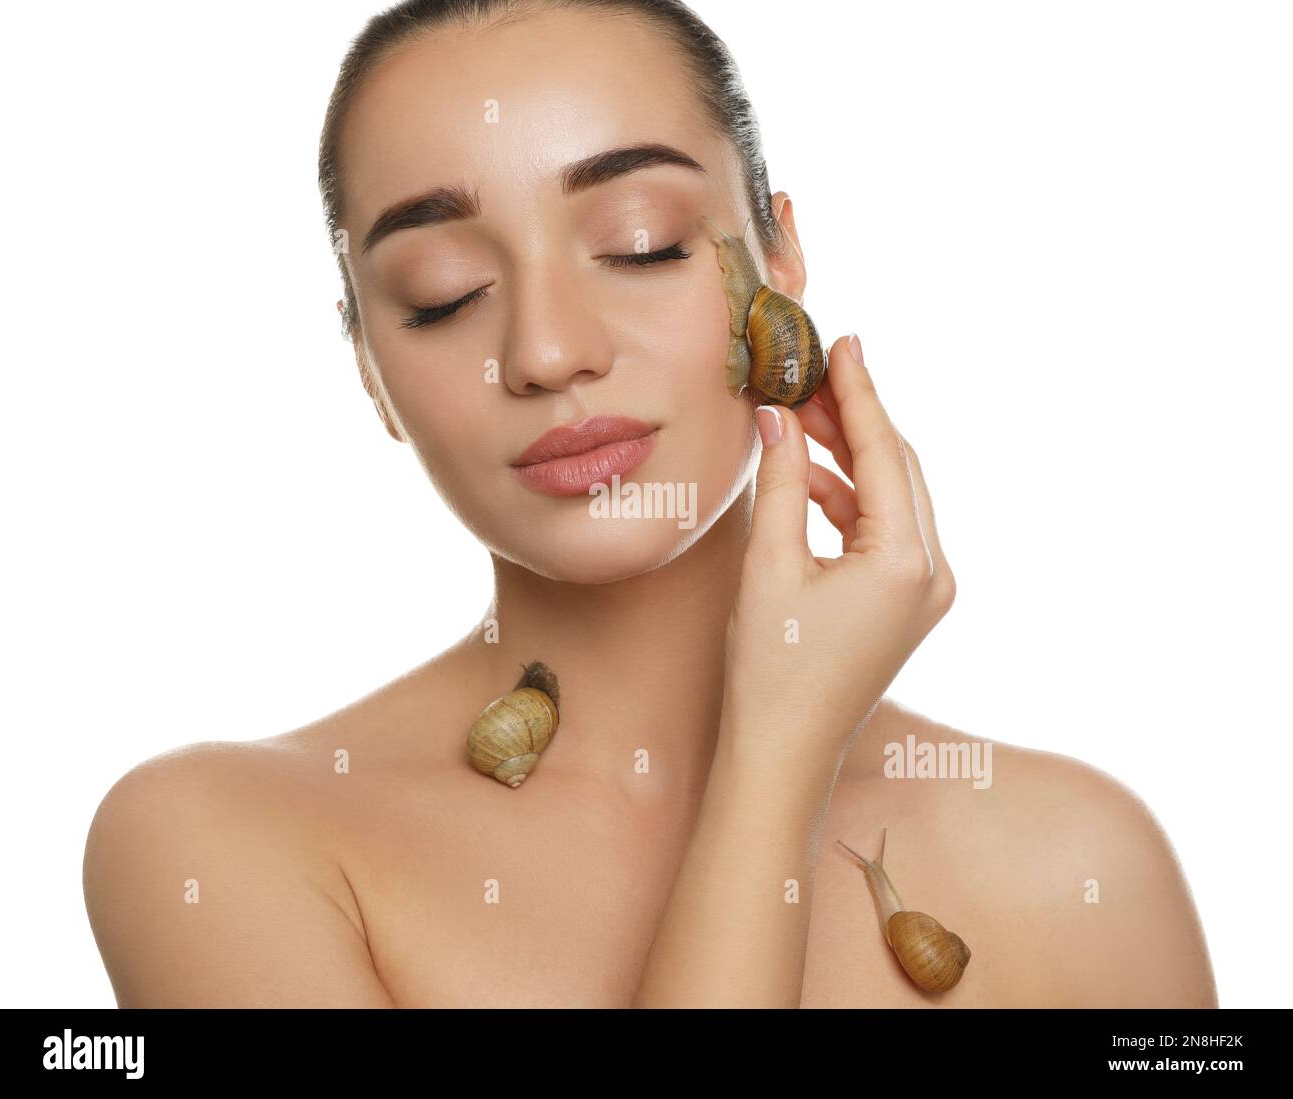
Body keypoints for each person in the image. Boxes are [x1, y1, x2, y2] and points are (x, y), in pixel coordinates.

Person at [83, 0, 1217, 1008]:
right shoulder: (217, 843)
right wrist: (773, 767)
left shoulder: (1079, 867)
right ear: (370, 370)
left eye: (641, 244)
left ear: (777, 261)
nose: (545, 350)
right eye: (444, 296)